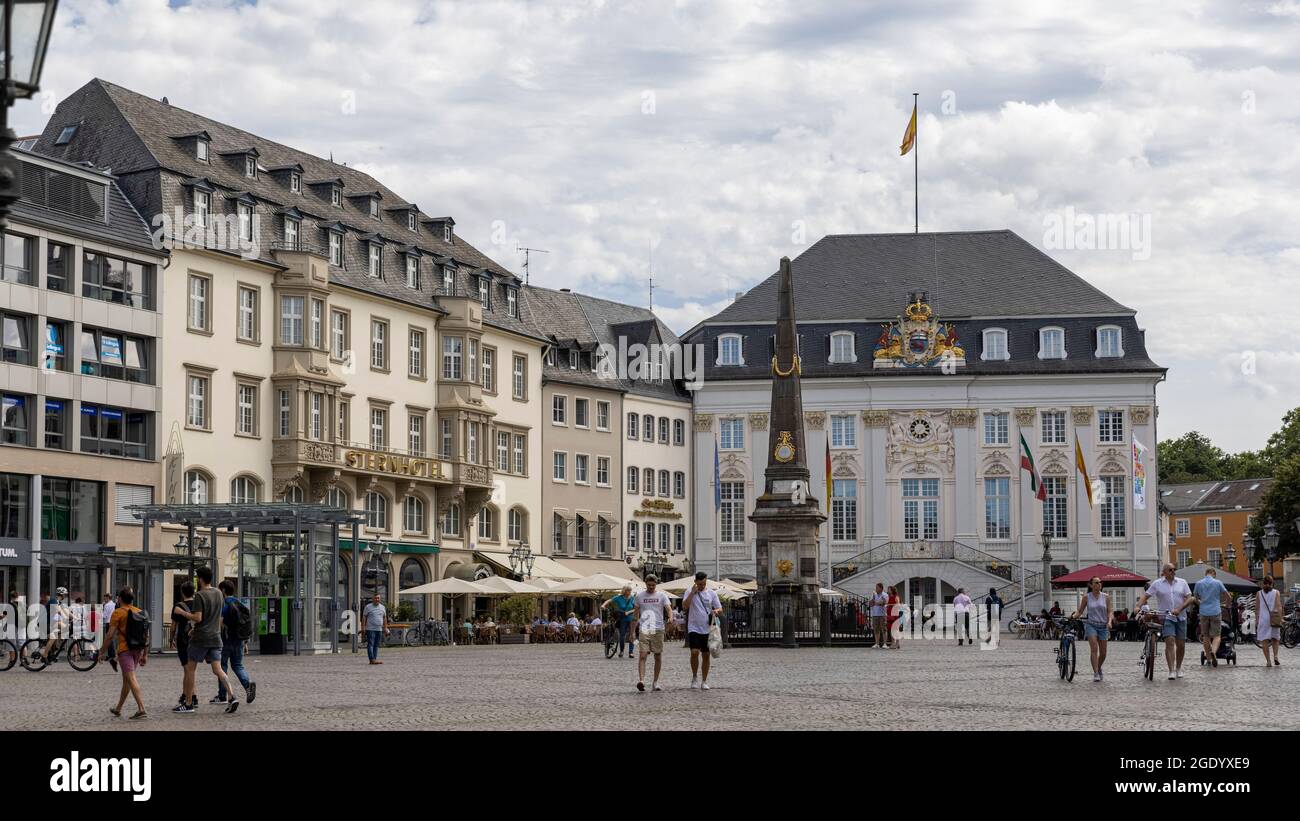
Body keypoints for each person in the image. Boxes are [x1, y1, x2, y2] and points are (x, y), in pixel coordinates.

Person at [177, 567, 238, 713]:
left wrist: (183, 613)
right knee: (218, 669)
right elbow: (216, 616)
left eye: (198, 577)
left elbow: (198, 618)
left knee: (190, 669)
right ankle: (232, 696)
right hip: (215, 637)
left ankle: (189, 703)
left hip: (200, 638)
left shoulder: (200, 595)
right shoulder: (218, 593)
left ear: (201, 579)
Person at [1135, 563, 1195, 680]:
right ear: (1165, 572)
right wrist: (1138, 606)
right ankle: (1171, 670)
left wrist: (1180, 608)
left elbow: (1190, 598)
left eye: (1174, 569)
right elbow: (1145, 596)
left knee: (1181, 645)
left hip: (1181, 616)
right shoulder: (1157, 583)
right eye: (1170, 570)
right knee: (1170, 641)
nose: (1173, 571)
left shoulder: (1182, 582)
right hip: (1166, 616)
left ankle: (1178, 668)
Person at [105, 587, 148, 720]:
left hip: (125, 651)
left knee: (131, 678)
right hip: (137, 650)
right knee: (126, 681)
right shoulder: (140, 612)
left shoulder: (118, 613)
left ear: (120, 599)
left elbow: (110, 635)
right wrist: (145, 654)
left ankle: (141, 709)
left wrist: (102, 651)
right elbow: (146, 635)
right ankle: (118, 709)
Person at [215, 580, 256, 705]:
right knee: (238, 665)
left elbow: (220, 623)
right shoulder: (239, 604)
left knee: (222, 667)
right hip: (239, 640)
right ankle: (247, 685)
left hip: (226, 640)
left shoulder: (225, 604)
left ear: (223, 590)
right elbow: (243, 624)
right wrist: (245, 642)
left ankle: (222, 695)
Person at [682, 572, 724, 690]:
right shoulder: (689, 591)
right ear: (695, 582)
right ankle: (695, 677)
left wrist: (716, 611)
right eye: (699, 584)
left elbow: (720, 608)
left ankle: (704, 680)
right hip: (694, 627)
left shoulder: (711, 593)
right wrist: (692, 593)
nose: (702, 586)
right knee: (694, 652)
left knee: (706, 654)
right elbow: (685, 606)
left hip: (707, 628)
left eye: (704, 584)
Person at [633, 575, 673, 692]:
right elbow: (635, 615)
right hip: (644, 629)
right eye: (649, 585)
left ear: (656, 584)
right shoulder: (639, 596)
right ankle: (641, 680)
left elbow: (669, 609)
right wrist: (632, 632)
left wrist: (671, 617)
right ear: (645, 584)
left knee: (657, 655)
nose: (651, 587)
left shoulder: (662, 595)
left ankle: (655, 682)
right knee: (643, 655)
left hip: (658, 629)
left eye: (653, 585)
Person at [1070, 576, 1112, 681]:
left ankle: (1098, 667)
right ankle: (1096, 673)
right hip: (1091, 625)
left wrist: (1110, 621)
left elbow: (1110, 611)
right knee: (1094, 649)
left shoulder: (1106, 597)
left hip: (1103, 626)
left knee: (1103, 653)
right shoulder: (1086, 597)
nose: (1099, 584)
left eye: (1100, 582)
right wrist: (1073, 616)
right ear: (1091, 585)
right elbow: (1080, 611)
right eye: (1096, 582)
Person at [1192, 567, 1230, 668]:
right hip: (1216, 611)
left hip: (1204, 612)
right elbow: (1228, 596)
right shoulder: (1218, 582)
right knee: (1217, 635)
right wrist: (1227, 605)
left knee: (1205, 636)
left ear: (1206, 574)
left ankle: (1208, 658)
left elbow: (1194, 598)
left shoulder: (1199, 583)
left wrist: (1201, 603)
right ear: (1213, 574)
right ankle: (1213, 652)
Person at [170, 582, 197, 709]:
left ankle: (188, 698)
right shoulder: (198, 605)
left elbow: (173, 626)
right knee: (191, 669)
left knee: (187, 669)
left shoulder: (178, 606)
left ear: (182, 592)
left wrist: (171, 640)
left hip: (183, 639)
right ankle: (190, 695)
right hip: (195, 639)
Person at [602, 585, 637, 658]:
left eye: (630, 590)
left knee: (632, 635)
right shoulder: (619, 598)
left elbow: (636, 608)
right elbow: (609, 600)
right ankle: (622, 651)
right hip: (622, 619)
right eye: (628, 590)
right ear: (624, 591)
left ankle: (631, 652)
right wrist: (603, 605)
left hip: (631, 619)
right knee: (622, 636)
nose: (630, 592)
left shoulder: (633, 598)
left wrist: (629, 612)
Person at [38, 587, 71, 661]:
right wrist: (66, 617)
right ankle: (45, 655)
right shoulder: (53, 600)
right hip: (44, 623)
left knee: (65, 627)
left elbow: (66, 612)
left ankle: (54, 647)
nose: (65, 596)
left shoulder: (58, 602)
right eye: (65, 595)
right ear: (61, 594)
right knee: (53, 637)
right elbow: (58, 611)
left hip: (51, 623)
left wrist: (76, 618)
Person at [1257, 575, 1282, 667]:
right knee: (1275, 639)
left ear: (1263, 583)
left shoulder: (1259, 593)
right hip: (1274, 618)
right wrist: (1280, 617)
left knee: (1264, 641)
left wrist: (1256, 620)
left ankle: (1268, 661)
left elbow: (1257, 608)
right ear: (1272, 583)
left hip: (1263, 619)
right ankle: (1275, 656)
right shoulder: (1276, 592)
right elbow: (1279, 606)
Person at [363, 594, 389, 663]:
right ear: (372, 599)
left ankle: (374, 659)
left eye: (378, 598)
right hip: (370, 629)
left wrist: (385, 628)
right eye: (375, 598)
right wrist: (363, 628)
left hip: (379, 629)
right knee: (371, 644)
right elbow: (364, 617)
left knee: (376, 645)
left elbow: (384, 618)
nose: (377, 599)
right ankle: (371, 659)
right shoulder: (368, 607)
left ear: (380, 599)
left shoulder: (383, 607)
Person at [869, 583, 888, 648]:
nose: (876, 589)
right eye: (876, 587)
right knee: (876, 629)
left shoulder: (885, 595)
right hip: (875, 614)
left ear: (881, 588)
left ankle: (885, 643)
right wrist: (874, 599)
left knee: (883, 629)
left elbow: (883, 603)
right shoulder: (874, 595)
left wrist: (876, 603)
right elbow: (871, 604)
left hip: (882, 614)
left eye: (877, 587)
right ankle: (877, 643)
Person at [101, 593, 117, 670]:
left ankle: (111, 655)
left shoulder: (107, 605)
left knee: (108, 639)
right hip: (114, 623)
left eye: (105, 598)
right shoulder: (114, 604)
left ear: (108, 598)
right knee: (111, 639)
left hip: (108, 622)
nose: (104, 599)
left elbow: (105, 615)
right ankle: (112, 655)